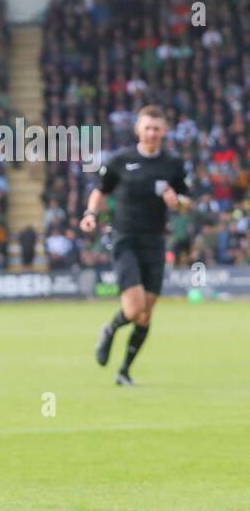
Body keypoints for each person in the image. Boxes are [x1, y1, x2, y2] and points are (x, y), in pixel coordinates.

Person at [81, 105, 190, 386]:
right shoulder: (120, 160)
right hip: (124, 238)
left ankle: (124, 371)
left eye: (157, 128)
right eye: (147, 128)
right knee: (133, 308)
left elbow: (188, 201)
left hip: (154, 242)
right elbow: (99, 190)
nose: (152, 133)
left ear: (164, 131)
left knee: (146, 313)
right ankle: (110, 329)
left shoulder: (173, 164)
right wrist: (91, 214)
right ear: (138, 130)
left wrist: (178, 203)